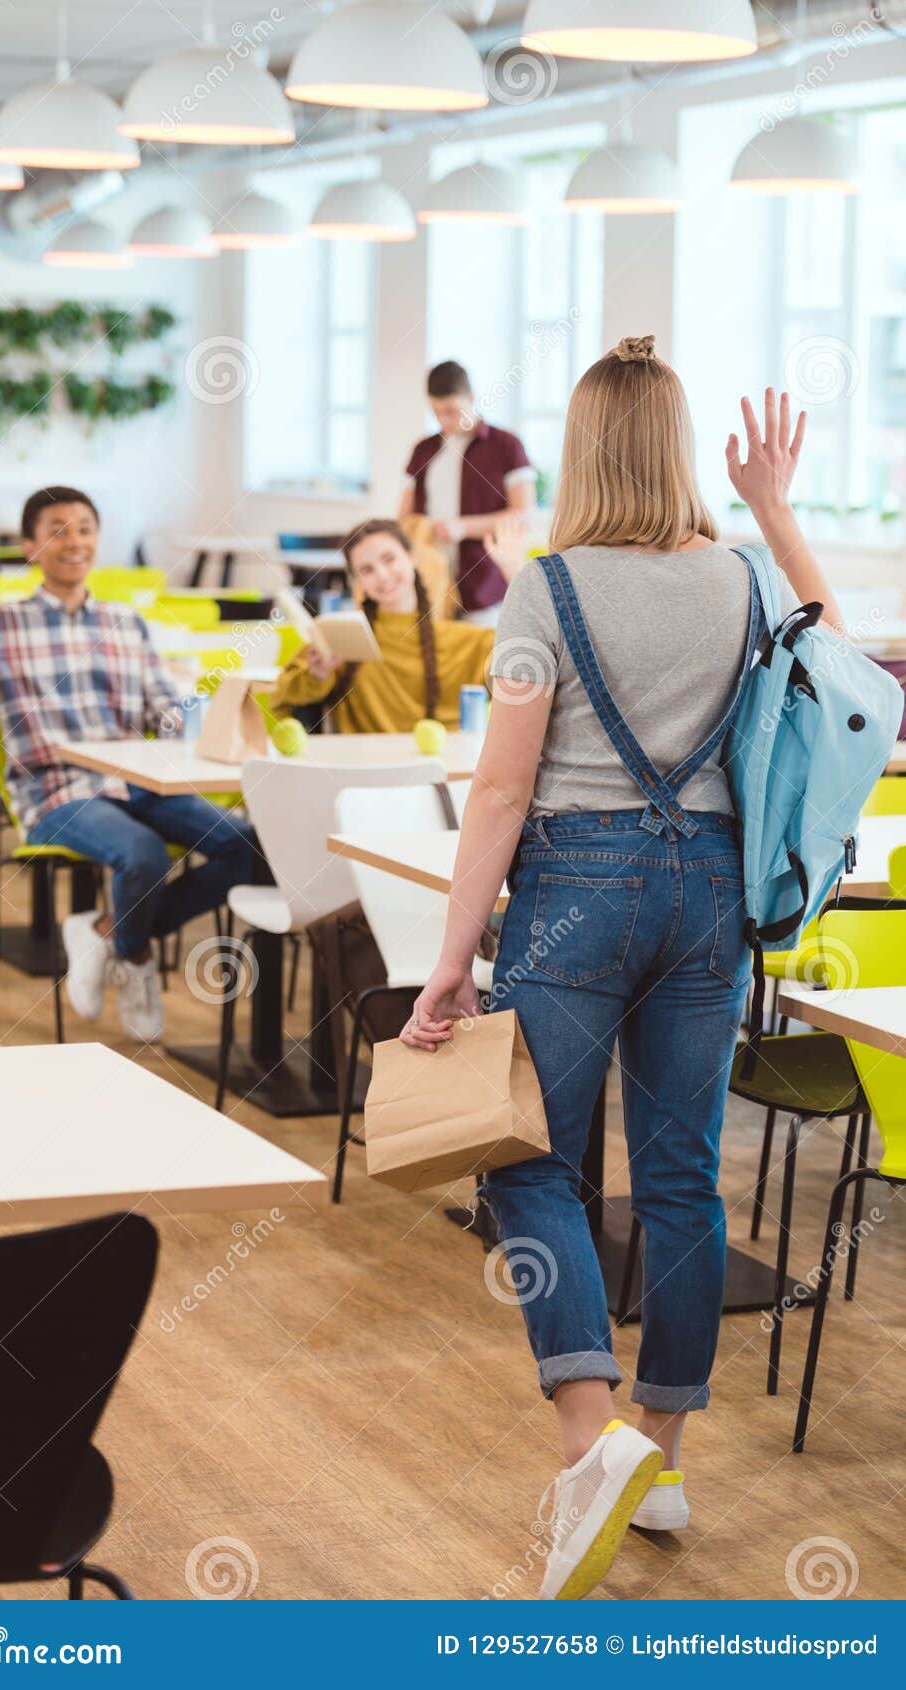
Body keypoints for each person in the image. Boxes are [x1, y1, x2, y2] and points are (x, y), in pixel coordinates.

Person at [401, 339, 844, 1601]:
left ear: (587, 451)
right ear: (680, 448)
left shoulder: (544, 591)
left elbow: (500, 785)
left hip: (575, 893)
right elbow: (849, 674)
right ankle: (660, 1452)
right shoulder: (747, 578)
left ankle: (586, 1438)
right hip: (711, 893)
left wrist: (449, 960)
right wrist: (773, 508)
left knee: (531, 1158)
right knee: (684, 1180)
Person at [0, 486, 254, 1043]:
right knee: (142, 855)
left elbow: (163, 714)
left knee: (250, 847)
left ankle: (108, 930)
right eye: (57, 530)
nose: (74, 541)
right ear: (29, 547)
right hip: (56, 793)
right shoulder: (4, 625)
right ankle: (135, 961)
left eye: (84, 528)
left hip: (140, 783)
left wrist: (197, 702)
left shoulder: (125, 623)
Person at [271, 518, 501, 733]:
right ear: (357, 581)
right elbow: (282, 695)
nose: (382, 575)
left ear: (412, 557)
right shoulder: (342, 637)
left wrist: (514, 572)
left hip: (442, 770)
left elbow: (524, 661)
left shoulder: (466, 642)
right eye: (367, 570)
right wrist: (318, 675)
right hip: (360, 770)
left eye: (389, 559)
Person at [400, 360, 536, 625]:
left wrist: (463, 527)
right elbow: (404, 518)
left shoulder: (506, 446)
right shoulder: (423, 450)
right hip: (430, 590)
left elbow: (522, 516)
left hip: (485, 592)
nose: (443, 420)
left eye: (451, 410)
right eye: (436, 412)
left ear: (471, 398)